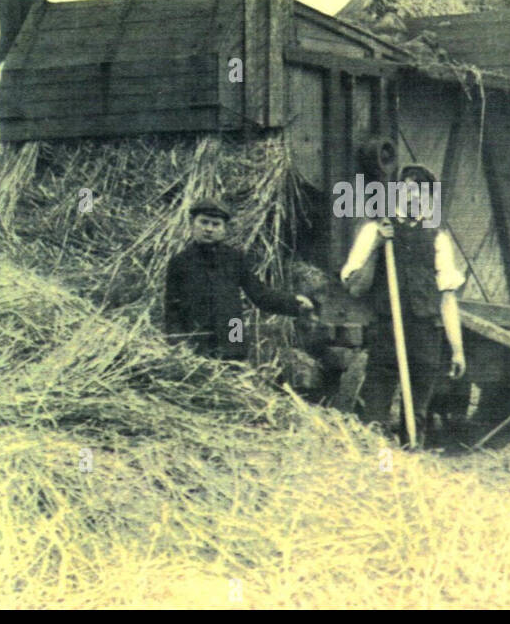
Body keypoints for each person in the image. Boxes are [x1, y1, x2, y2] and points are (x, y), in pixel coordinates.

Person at [340, 164, 466, 446]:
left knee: (417, 413)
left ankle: (411, 464)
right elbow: (355, 286)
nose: (413, 197)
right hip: (387, 329)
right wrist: (378, 244)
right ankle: (380, 467)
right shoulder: (375, 229)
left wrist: (457, 349)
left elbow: (447, 297)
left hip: (424, 333)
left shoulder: (437, 236)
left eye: (421, 192)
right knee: (376, 410)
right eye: (407, 190)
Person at [163, 198, 314, 361]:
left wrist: (294, 303)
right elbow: (172, 309)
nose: (209, 229)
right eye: (204, 222)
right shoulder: (180, 262)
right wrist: (177, 344)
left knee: (235, 376)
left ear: (224, 229)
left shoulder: (234, 259)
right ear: (192, 224)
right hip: (197, 344)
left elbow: (260, 295)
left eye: (215, 224)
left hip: (233, 338)